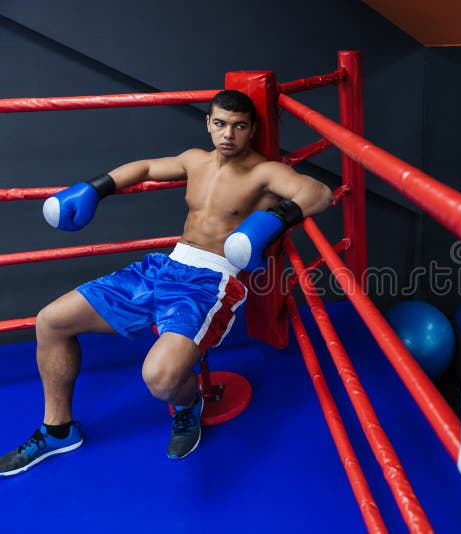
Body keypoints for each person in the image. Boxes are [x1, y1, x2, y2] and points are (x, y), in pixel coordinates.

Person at [0, 90, 332, 476]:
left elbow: (318, 192)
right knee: (51, 321)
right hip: (164, 268)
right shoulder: (194, 160)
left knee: (160, 379)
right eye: (220, 124)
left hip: (210, 281)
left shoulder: (265, 172)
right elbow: (144, 168)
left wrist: (272, 220)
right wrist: (96, 187)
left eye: (239, 126)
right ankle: (58, 430)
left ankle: (189, 404)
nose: (228, 134)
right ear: (208, 123)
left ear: (251, 129)